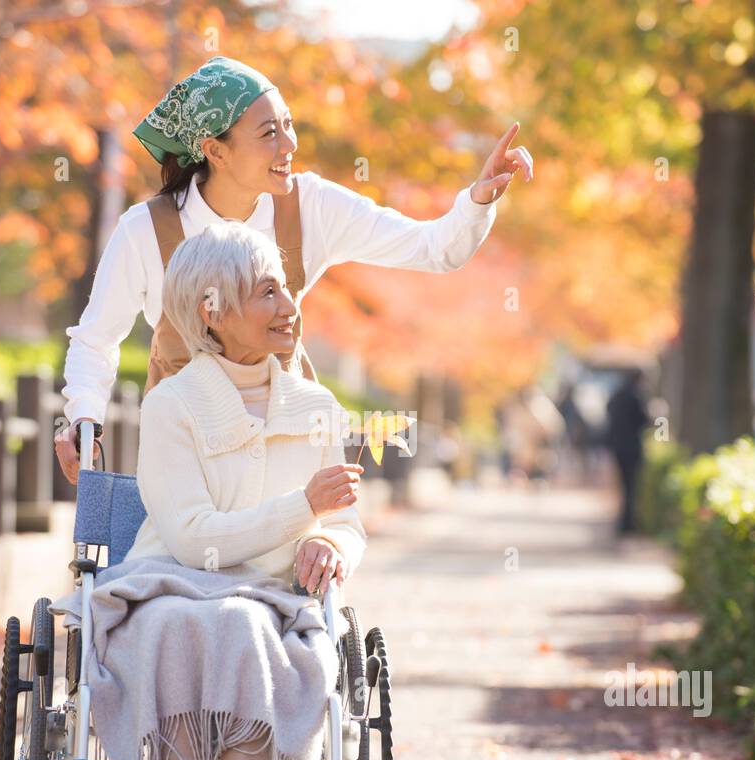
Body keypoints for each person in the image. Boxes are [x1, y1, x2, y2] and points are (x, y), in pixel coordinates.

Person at [52, 53, 533, 484]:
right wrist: (82, 417)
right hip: (185, 462)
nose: (289, 144)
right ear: (215, 151)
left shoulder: (310, 207)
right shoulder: (146, 230)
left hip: (287, 456)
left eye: (288, 124)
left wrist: (479, 198)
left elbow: (433, 248)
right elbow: (96, 341)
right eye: (269, 133)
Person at [52, 221, 367, 760]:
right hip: (168, 581)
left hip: (274, 597)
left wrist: (332, 542)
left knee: (246, 621)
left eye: (285, 291)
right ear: (212, 310)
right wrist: (302, 507)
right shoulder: (172, 404)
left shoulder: (316, 406)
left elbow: (346, 524)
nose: (289, 307)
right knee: (175, 622)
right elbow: (193, 540)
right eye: (268, 293)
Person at [605, 369, 651, 534]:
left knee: (625, 485)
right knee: (631, 486)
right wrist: (659, 417)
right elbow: (644, 420)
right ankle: (628, 523)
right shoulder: (635, 396)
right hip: (631, 447)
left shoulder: (616, 395)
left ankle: (626, 521)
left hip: (618, 447)